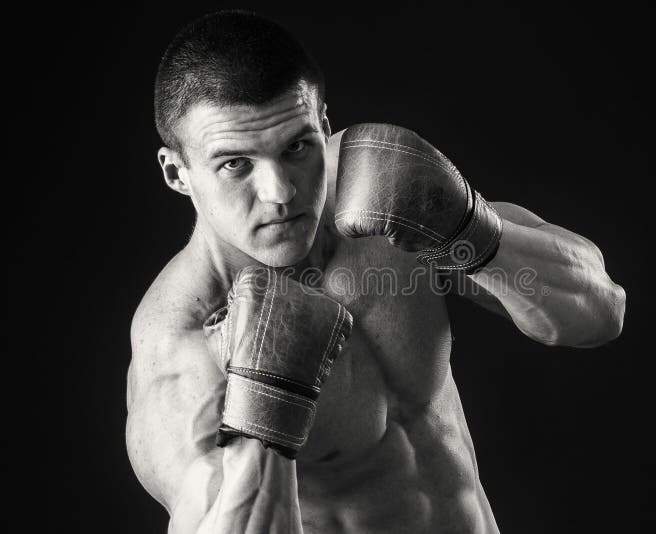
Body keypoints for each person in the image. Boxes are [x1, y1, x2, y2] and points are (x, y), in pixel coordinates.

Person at [125, 10, 626, 533]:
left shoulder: (377, 187)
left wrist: (470, 232)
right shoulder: (182, 339)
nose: (280, 194)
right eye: (235, 164)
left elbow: (600, 310)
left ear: (323, 124)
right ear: (176, 173)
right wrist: (263, 416)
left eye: (296, 146)